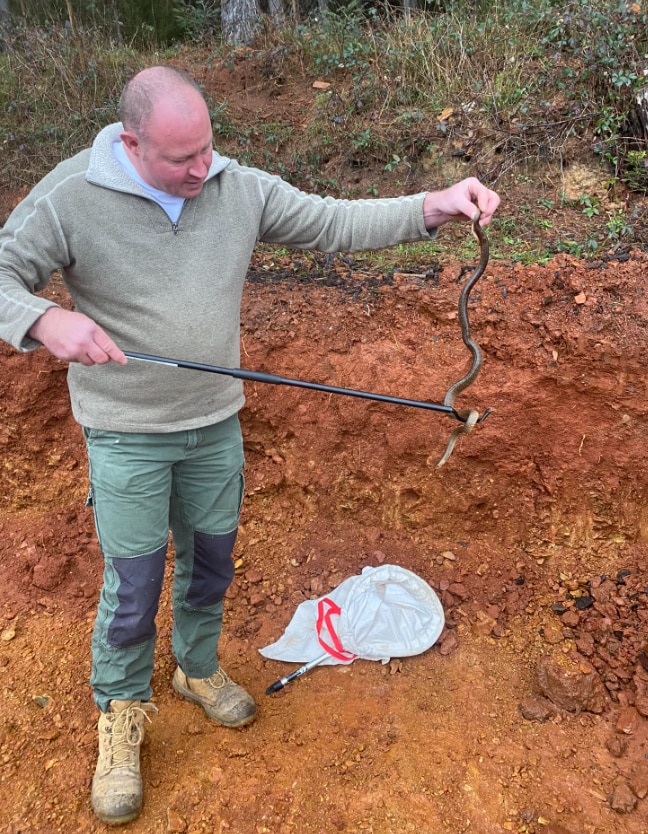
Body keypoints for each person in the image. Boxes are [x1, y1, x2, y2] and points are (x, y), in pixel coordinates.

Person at [0, 65, 500, 824]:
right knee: (132, 590)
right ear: (132, 143)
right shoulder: (70, 197)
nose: (203, 169)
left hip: (213, 425)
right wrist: (42, 320)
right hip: (127, 435)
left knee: (210, 566)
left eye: (208, 148)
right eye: (181, 158)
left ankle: (196, 670)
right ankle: (121, 715)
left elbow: (334, 221)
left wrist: (433, 205)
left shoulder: (235, 187)